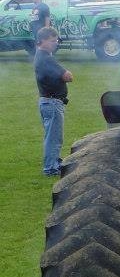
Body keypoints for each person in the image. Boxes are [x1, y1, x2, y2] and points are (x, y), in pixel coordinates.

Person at [34, 26, 72, 177]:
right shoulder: (46, 58)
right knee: (54, 138)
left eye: (56, 40)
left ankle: (54, 161)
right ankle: (51, 168)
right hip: (52, 102)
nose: (55, 43)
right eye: (52, 41)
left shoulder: (40, 55)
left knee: (52, 136)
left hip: (47, 102)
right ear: (42, 41)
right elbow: (68, 76)